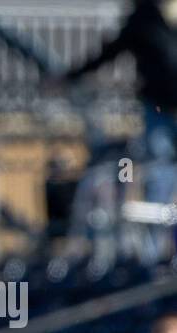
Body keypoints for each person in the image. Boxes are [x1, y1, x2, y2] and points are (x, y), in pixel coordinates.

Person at [63, 0, 177, 207]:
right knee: (160, 168)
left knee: (161, 166)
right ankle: (156, 233)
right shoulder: (143, 19)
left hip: (162, 105)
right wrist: (71, 76)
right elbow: (110, 51)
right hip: (159, 107)